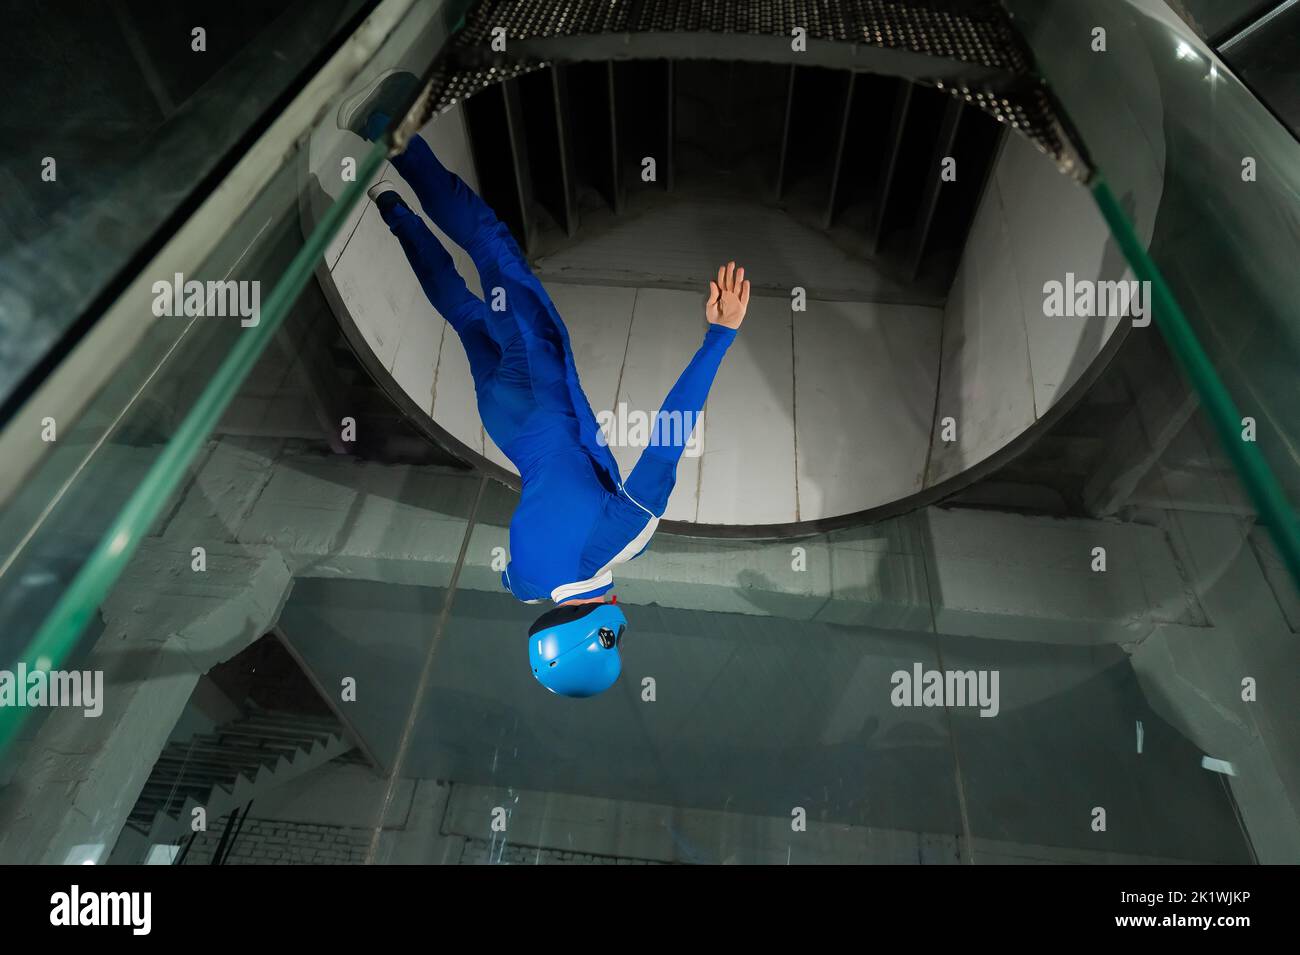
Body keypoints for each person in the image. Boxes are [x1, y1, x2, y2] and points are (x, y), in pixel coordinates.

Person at [339, 70, 749, 698]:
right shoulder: (526, 585)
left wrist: (718, 338)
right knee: (464, 313)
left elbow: (668, 440)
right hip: (503, 420)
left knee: (491, 247)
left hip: (542, 396)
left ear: (603, 631)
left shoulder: (621, 543)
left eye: (614, 639)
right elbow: (521, 574)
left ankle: (386, 132)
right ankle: (390, 207)